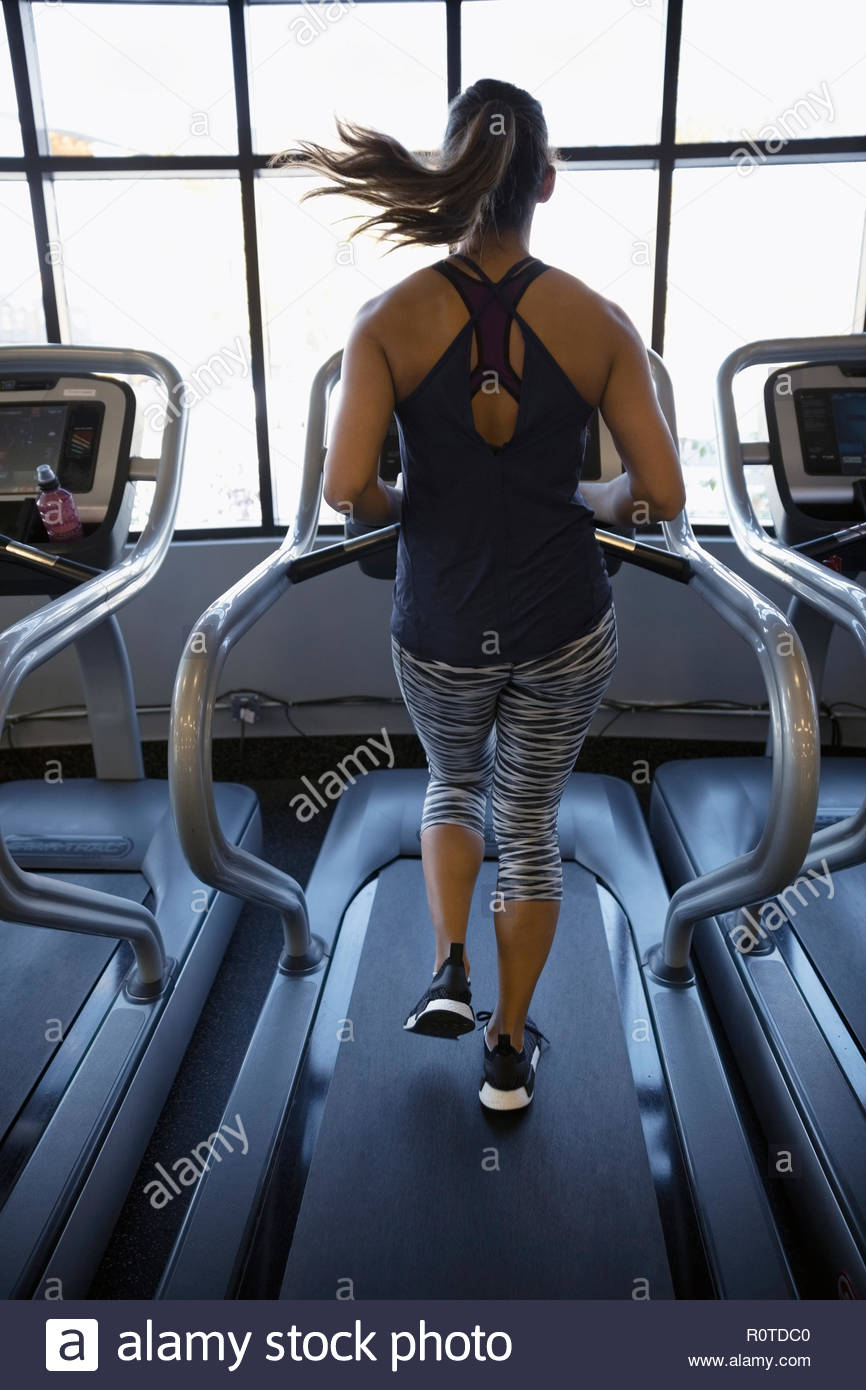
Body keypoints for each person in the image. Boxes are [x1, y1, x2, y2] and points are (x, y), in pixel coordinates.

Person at [274, 78, 685, 1112]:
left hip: (441, 626)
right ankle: (506, 1049)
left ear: (453, 179)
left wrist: (405, 498)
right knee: (531, 818)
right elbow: (661, 492)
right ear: (543, 183)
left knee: (451, 786)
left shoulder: (387, 320)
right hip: (563, 626)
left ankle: (448, 962)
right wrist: (593, 493)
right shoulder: (597, 321)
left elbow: (344, 489)